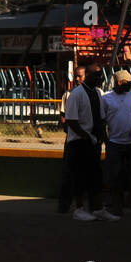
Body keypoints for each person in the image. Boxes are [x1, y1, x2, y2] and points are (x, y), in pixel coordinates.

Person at [63, 62, 117, 222]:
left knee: (95, 176)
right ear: (88, 75)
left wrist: (104, 138)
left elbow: (101, 118)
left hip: (94, 143)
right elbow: (71, 121)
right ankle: (79, 209)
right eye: (97, 75)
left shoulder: (98, 93)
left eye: (101, 75)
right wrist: (86, 136)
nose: (100, 78)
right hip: (79, 143)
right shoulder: (76, 94)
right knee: (79, 176)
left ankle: (98, 208)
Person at [101, 70, 131, 214]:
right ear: (120, 82)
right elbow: (102, 122)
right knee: (115, 174)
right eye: (129, 82)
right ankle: (117, 202)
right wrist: (107, 141)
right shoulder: (106, 99)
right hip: (115, 142)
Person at [58, 66, 85, 213]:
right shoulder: (68, 95)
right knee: (68, 173)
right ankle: (64, 205)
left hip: (86, 140)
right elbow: (63, 115)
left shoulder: (95, 94)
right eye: (75, 76)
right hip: (72, 140)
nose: (77, 79)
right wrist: (68, 130)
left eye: (80, 76)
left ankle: (84, 204)